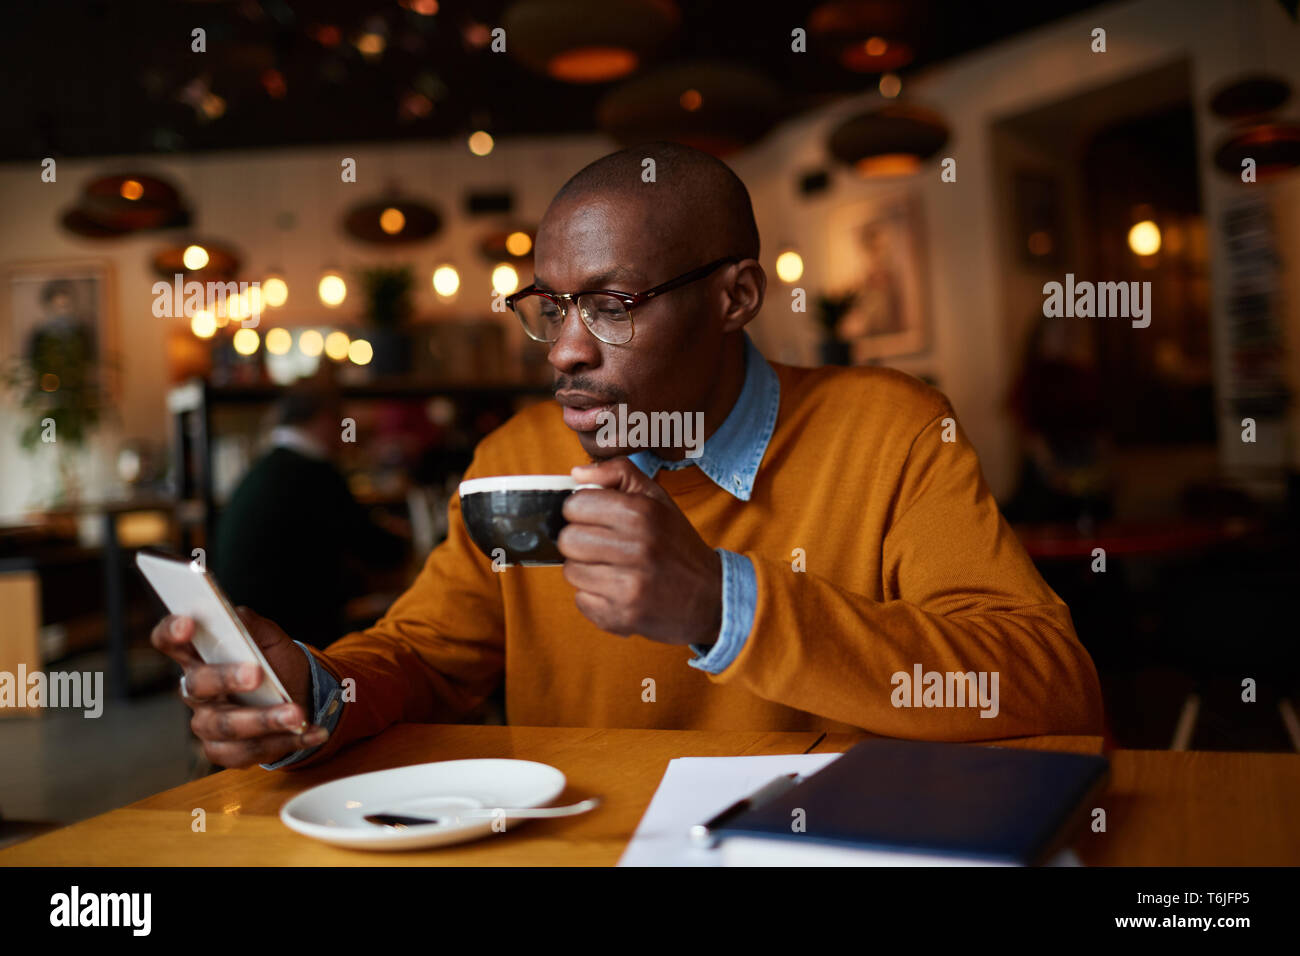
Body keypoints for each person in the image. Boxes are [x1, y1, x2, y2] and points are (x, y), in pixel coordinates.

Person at [153, 142, 1105, 770]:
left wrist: (724, 603)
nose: (567, 348)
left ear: (735, 297)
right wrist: (314, 691)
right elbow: (427, 660)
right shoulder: (516, 457)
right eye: (552, 308)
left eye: (612, 305)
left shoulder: (891, 431)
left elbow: (1045, 678)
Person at [211, 379, 408, 650]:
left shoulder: (265, 467)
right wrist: (408, 536)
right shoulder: (315, 472)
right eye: (342, 421)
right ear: (326, 419)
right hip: (290, 638)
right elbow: (379, 551)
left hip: (243, 632)